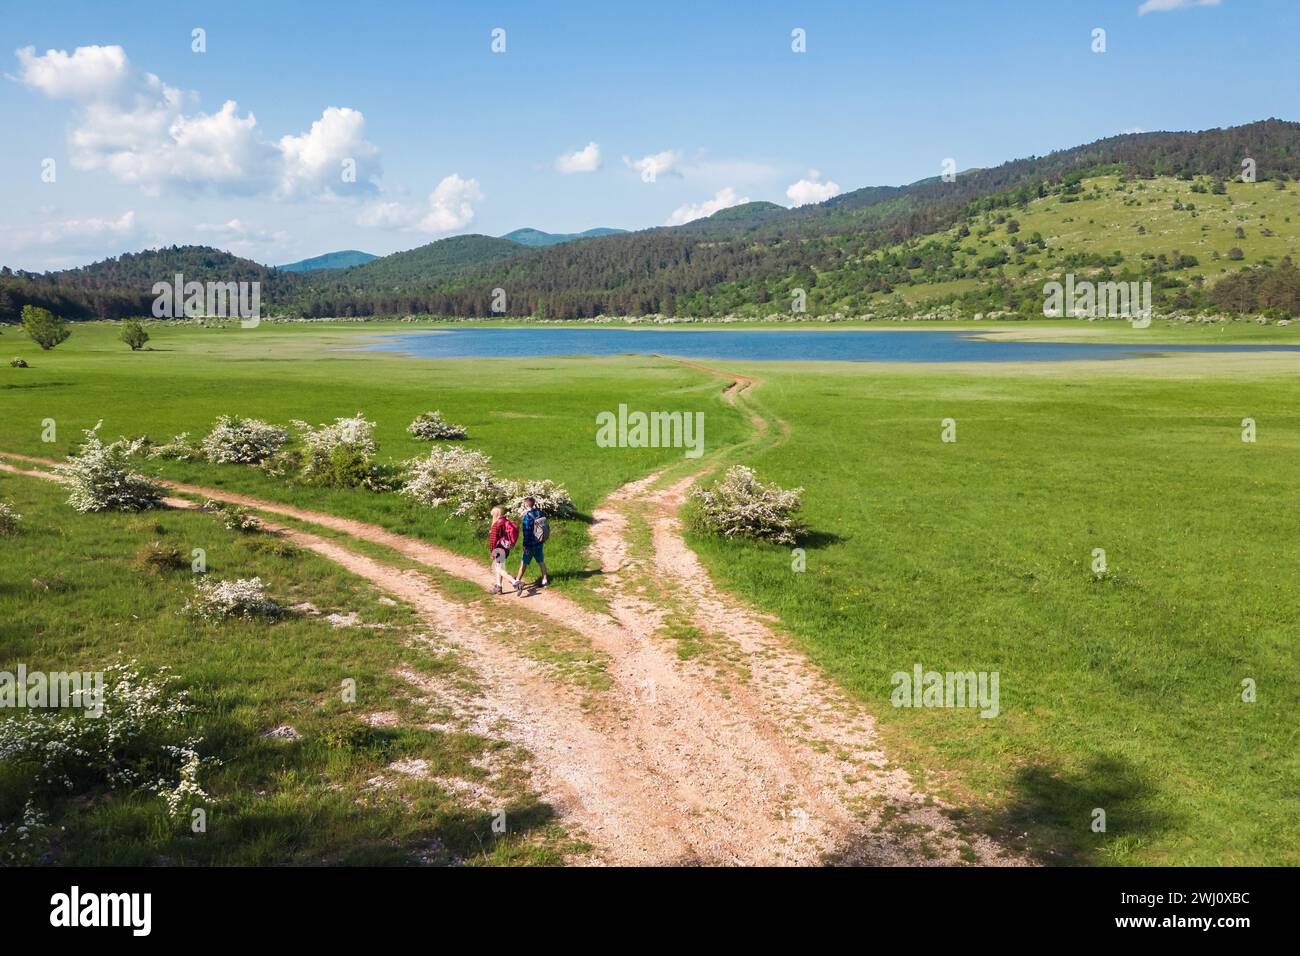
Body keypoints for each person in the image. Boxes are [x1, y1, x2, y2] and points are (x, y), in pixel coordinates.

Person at [513, 496, 549, 594]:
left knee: (524, 563)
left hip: (530, 544)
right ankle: (545, 580)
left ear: (526, 504)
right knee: (541, 561)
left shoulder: (527, 517)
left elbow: (527, 532)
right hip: (539, 542)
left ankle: (517, 581)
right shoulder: (538, 512)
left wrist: (525, 545)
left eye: (524, 503)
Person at [487, 506, 518, 595]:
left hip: (498, 548)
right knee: (499, 567)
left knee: (498, 569)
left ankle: (515, 582)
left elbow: (493, 540)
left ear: (495, 514)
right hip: (506, 547)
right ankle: (498, 587)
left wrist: (492, 552)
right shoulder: (507, 521)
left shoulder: (497, 524)